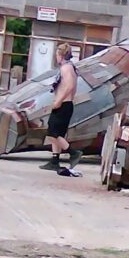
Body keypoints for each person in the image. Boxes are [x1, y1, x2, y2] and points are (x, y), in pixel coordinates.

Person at [40, 43, 82, 172]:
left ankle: (73, 152)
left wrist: (59, 100)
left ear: (61, 55)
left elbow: (69, 86)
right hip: (66, 103)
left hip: (63, 104)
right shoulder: (70, 67)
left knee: (52, 133)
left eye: (57, 55)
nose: (56, 58)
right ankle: (55, 160)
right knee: (57, 134)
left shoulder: (66, 68)